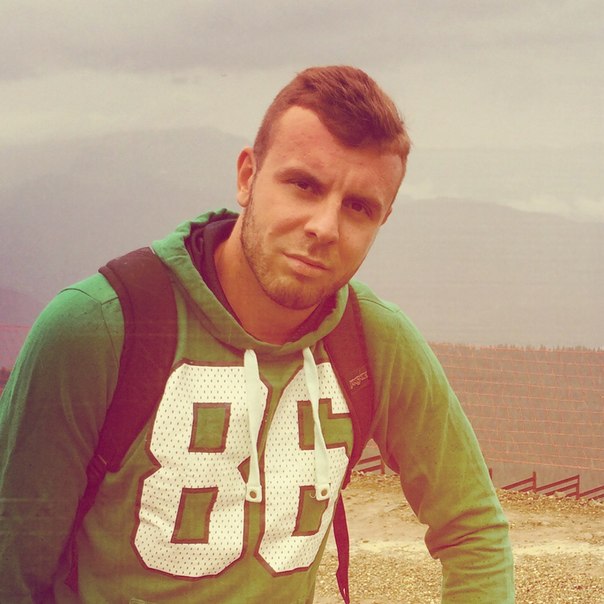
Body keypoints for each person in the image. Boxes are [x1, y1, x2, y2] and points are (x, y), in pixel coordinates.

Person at [0, 66, 514, 602]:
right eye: (304, 185)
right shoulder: (98, 328)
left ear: (381, 221)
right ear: (247, 176)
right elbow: (13, 563)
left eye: (359, 207)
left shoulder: (375, 342)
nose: (324, 227)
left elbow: (473, 528)